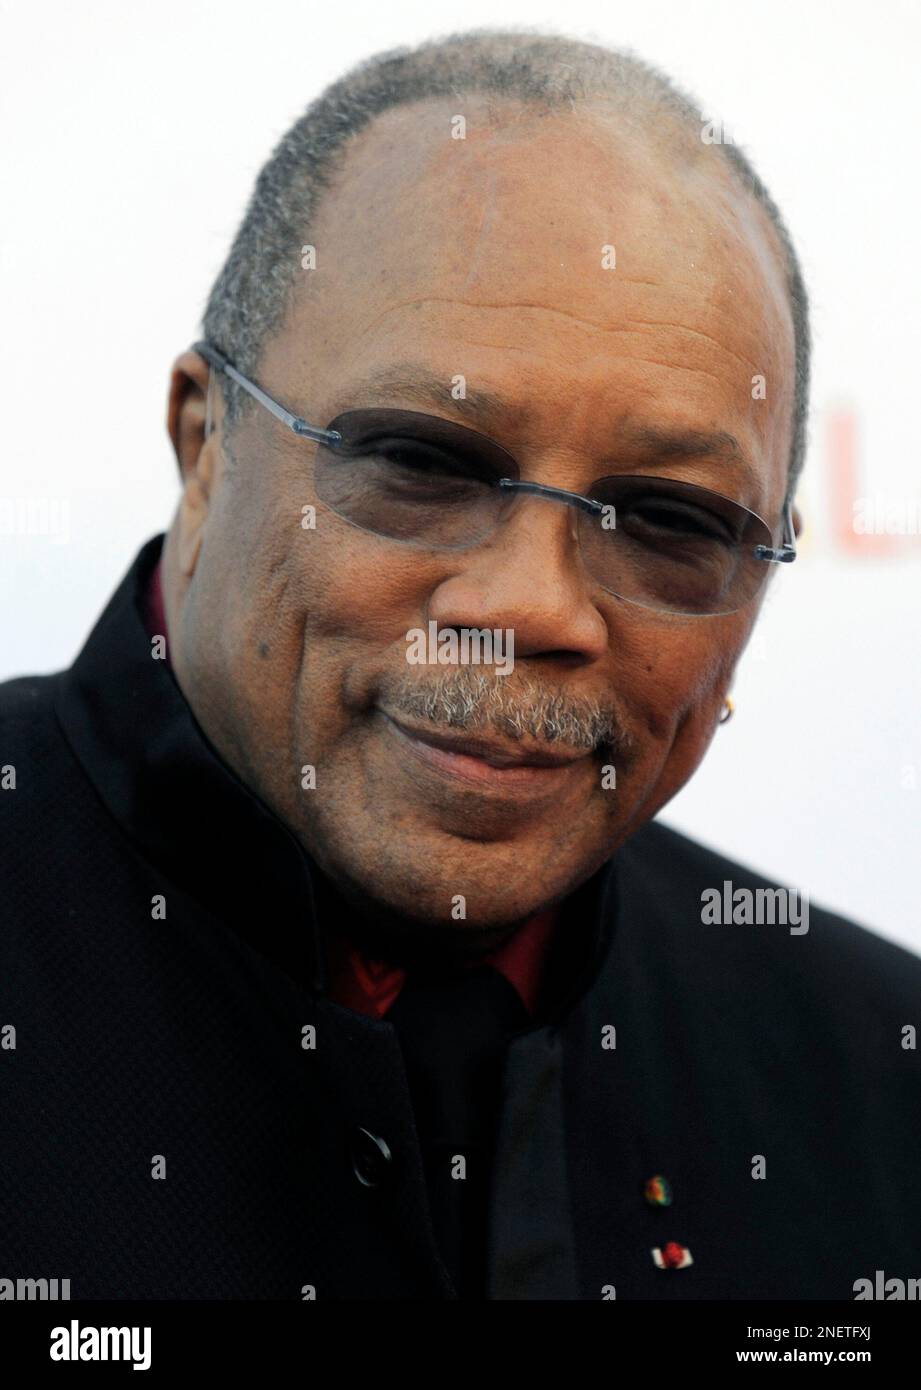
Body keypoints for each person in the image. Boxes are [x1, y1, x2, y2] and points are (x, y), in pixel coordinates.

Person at [2, 29, 919, 1302]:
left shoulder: (878, 1083)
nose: (530, 605)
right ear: (205, 448)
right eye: (423, 465)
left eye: (668, 521)